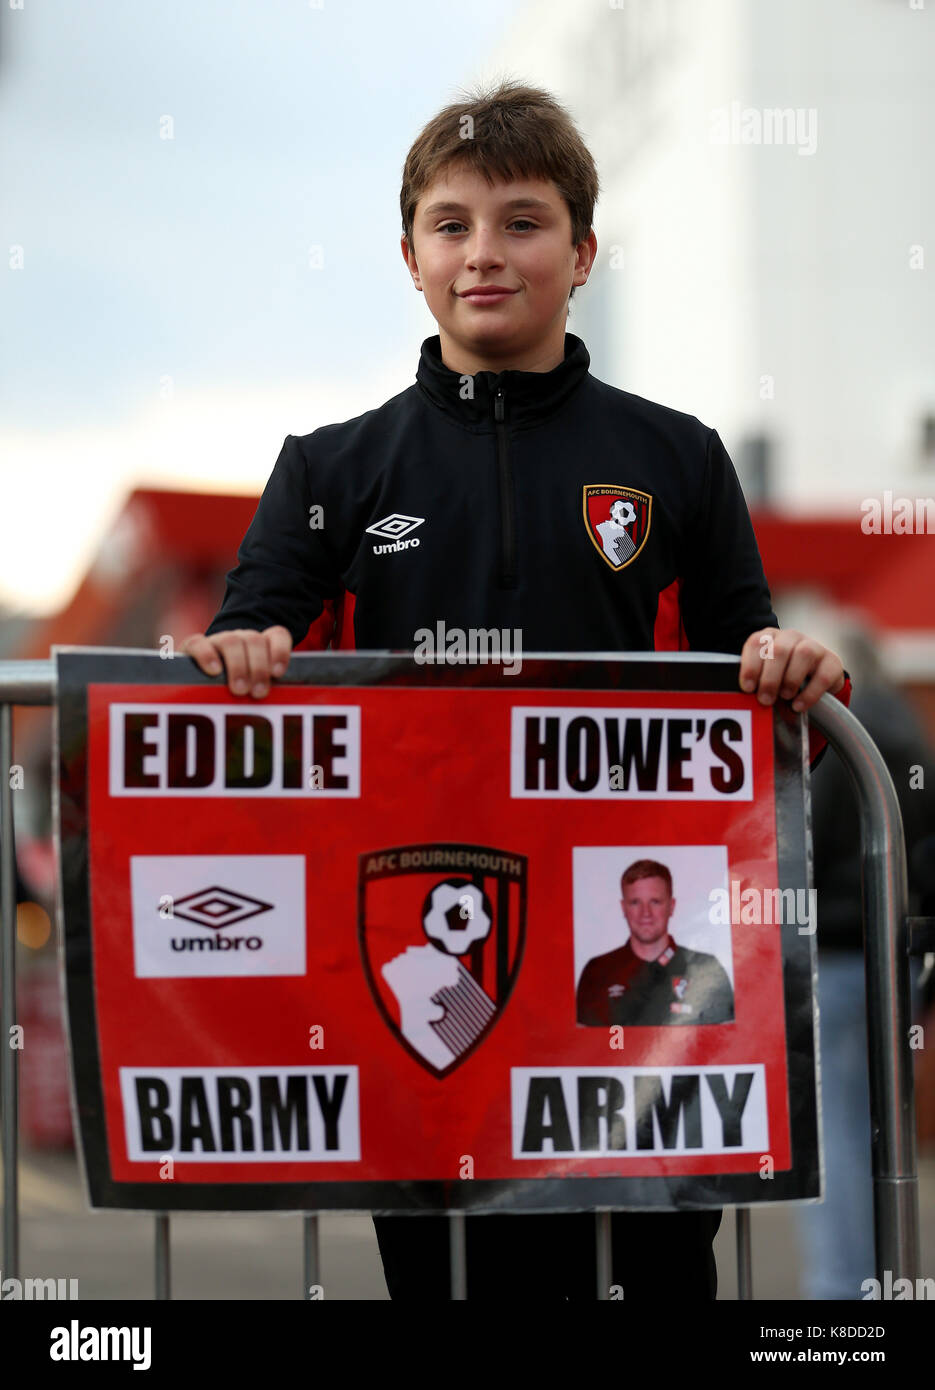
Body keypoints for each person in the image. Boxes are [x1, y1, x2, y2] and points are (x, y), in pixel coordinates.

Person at [180, 79, 852, 1300]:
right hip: (430, 968)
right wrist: (235, 652)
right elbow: (246, 635)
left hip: (632, 972)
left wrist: (790, 667)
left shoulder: (675, 457)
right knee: (452, 1282)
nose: (483, 253)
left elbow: (747, 667)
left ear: (583, 251)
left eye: (522, 221)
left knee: (653, 1278)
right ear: (408, 256)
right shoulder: (329, 467)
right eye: (450, 225)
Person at [576, 859, 734, 1026]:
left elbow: (726, 1044)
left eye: (655, 902)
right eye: (635, 902)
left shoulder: (707, 969)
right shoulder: (597, 972)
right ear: (623, 908)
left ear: (671, 906)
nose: (646, 913)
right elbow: (583, 1046)